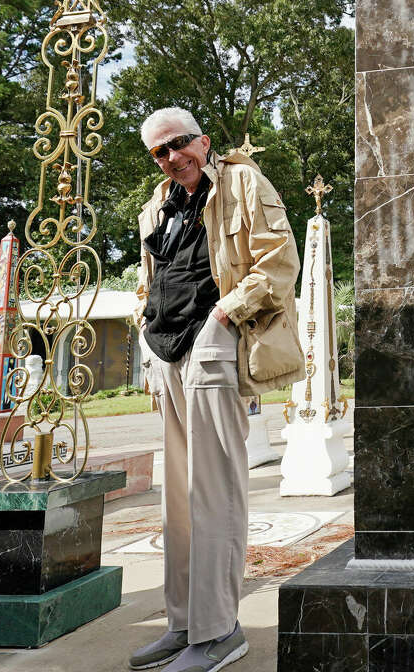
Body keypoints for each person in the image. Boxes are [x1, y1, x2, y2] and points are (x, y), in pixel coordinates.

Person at [129, 108, 304, 672]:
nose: (172, 156)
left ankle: (220, 630)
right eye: (159, 151)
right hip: (164, 351)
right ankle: (183, 624)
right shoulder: (154, 206)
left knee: (215, 490)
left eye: (179, 144)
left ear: (202, 141)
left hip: (212, 342)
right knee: (176, 497)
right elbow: (149, 277)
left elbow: (278, 262)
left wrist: (224, 317)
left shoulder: (243, 182)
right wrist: (144, 327)